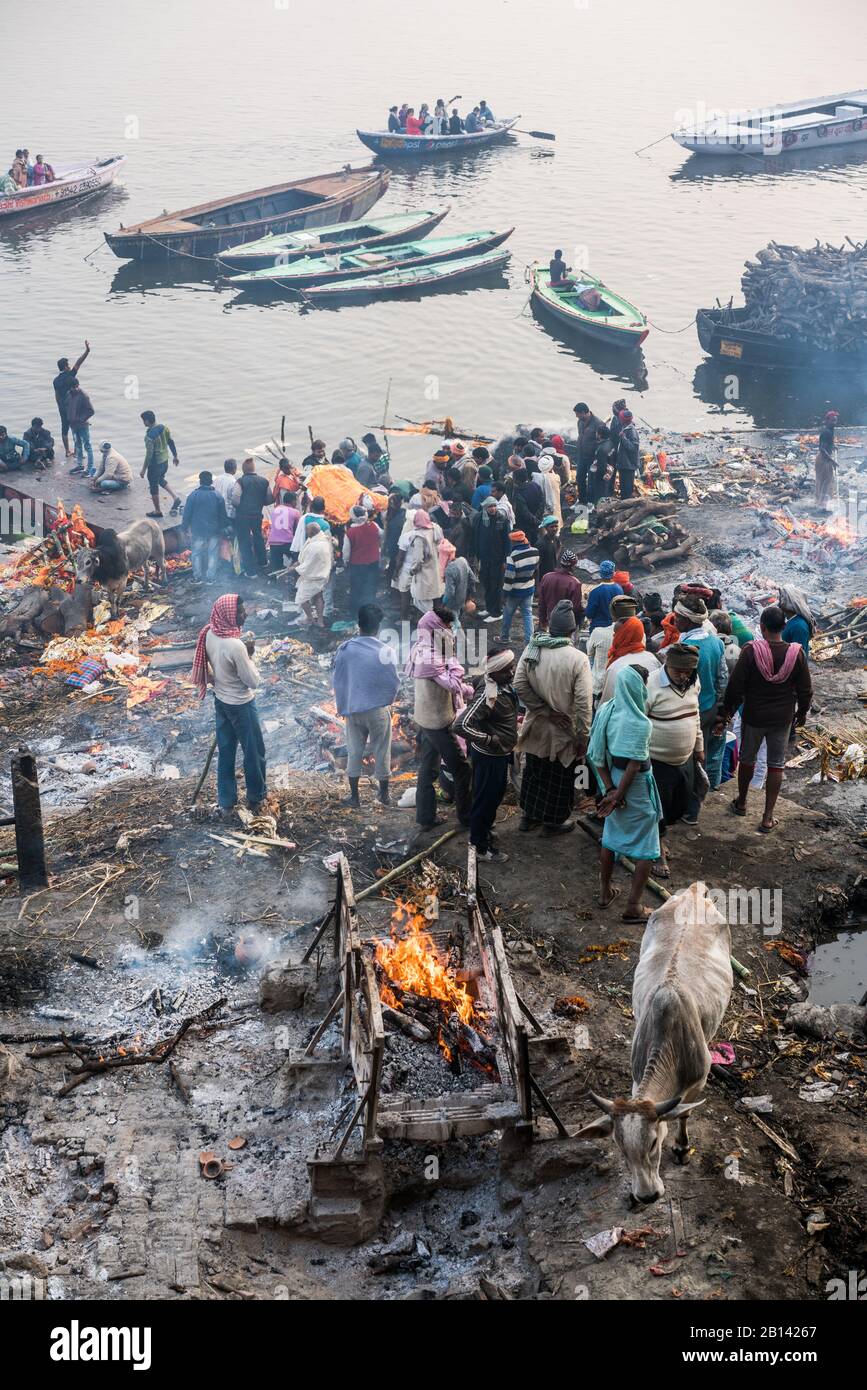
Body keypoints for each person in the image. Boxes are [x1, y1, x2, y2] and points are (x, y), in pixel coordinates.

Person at [720, 605, 812, 833]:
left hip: (754, 716)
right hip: (782, 719)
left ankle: (741, 802)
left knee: (747, 759)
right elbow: (806, 690)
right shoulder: (796, 653)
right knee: (776, 764)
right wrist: (801, 714)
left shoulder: (751, 651)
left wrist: (727, 712)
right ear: (784, 626)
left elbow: (735, 686)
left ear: (761, 627)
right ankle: (768, 817)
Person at [587, 664, 662, 922]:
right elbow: (635, 763)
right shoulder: (640, 723)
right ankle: (633, 906)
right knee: (648, 845)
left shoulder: (607, 710)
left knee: (611, 836)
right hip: (636, 785)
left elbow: (596, 755)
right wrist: (619, 795)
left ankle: (605, 892)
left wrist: (609, 789)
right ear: (639, 687)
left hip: (613, 778)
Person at [515, 600, 592, 834]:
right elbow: (583, 704)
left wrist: (543, 711)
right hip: (564, 730)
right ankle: (553, 822)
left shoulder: (533, 649)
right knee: (559, 777)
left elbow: (519, 684)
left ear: (550, 627)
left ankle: (528, 818)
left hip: (536, 725)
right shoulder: (578, 659)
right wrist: (582, 736)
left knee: (534, 772)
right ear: (573, 631)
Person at [191, 595, 266, 814]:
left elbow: (211, 669)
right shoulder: (235, 646)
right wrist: (249, 654)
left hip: (221, 701)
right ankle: (256, 798)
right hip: (241, 704)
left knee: (226, 751)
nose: (245, 614)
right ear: (228, 615)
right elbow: (253, 681)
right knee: (253, 751)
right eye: (240, 611)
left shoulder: (210, 633)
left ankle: (226, 802)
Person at [408, 605, 474, 832]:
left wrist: (464, 688)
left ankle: (426, 818)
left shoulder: (423, 647)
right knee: (462, 769)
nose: (450, 631)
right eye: (447, 627)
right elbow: (453, 683)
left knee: (428, 768)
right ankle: (466, 818)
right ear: (436, 628)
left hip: (425, 718)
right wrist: (456, 665)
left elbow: (449, 684)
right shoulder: (431, 656)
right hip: (437, 722)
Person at [452, 645, 518, 862]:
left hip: (499, 754)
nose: (511, 673)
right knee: (485, 800)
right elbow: (460, 725)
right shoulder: (489, 693)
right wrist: (489, 739)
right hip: (490, 756)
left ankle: (484, 832)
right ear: (493, 672)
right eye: (506, 670)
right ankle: (479, 847)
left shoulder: (502, 686)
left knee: (494, 796)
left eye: (512, 667)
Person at [332, 603, 400, 808]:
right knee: (382, 750)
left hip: (353, 710)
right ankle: (384, 796)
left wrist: (343, 705)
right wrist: (385, 700)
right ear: (378, 627)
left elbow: (338, 680)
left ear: (358, 624)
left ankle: (354, 798)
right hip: (378, 710)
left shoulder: (345, 649)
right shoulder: (386, 651)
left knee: (354, 752)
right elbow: (394, 682)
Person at [646, 643, 703, 877]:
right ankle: (656, 851)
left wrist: (699, 745)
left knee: (674, 806)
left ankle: (660, 840)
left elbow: (695, 714)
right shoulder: (650, 684)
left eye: (687, 672)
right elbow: (638, 724)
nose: (683, 675)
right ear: (667, 665)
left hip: (685, 759)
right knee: (656, 809)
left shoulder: (693, 682)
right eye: (679, 671)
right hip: (656, 761)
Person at [671, 596, 728, 814]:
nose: (675, 620)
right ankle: (701, 800)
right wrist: (720, 709)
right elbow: (722, 678)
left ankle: (690, 810)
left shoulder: (684, 649)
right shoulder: (715, 642)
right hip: (709, 707)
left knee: (690, 761)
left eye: (677, 617)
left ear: (686, 620)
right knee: (705, 757)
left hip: (689, 712)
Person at [598, 615, 660, 704]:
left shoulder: (615, 667)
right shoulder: (653, 660)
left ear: (622, 636)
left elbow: (606, 704)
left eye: (616, 634)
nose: (614, 636)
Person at [182, 471, 228, 584]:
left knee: (196, 553)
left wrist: (184, 528)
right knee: (212, 553)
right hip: (214, 531)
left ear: (200, 481)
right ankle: (210, 578)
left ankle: (197, 577)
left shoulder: (193, 496)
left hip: (198, 531)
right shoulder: (218, 496)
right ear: (211, 482)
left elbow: (187, 514)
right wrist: (223, 529)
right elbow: (223, 516)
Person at [232, 457, 270, 577]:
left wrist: (241, 506)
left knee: (244, 541)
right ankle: (263, 562)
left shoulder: (240, 481)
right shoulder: (264, 481)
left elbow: (235, 500)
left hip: (242, 516)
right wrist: (259, 503)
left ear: (243, 470)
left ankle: (250, 571)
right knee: (258, 537)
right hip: (257, 515)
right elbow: (269, 499)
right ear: (254, 469)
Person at [501, 530, 539, 647]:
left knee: (508, 614)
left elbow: (509, 578)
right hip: (529, 588)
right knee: (527, 614)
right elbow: (535, 570)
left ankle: (505, 637)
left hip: (515, 592)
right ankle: (529, 641)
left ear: (513, 542)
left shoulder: (512, 557)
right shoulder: (535, 552)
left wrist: (504, 594)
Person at [140, 410, 181, 517]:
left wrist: (144, 469)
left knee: (153, 486)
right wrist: (175, 456)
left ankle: (157, 510)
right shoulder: (164, 428)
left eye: (143, 420)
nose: (143, 423)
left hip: (155, 464)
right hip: (165, 461)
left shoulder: (149, 436)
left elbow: (149, 455)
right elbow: (171, 442)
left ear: (147, 421)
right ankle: (175, 497)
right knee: (160, 479)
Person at [53, 342, 90, 457]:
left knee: (64, 428)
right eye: (68, 365)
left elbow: (57, 396)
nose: (69, 366)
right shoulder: (70, 375)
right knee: (76, 428)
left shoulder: (55, 380)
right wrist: (87, 351)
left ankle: (67, 451)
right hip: (72, 407)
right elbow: (79, 362)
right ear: (65, 367)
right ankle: (78, 451)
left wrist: (60, 408)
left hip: (62, 407)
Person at [294, 519, 333, 627]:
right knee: (318, 595)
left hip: (312, 575)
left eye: (307, 531)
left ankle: (310, 618)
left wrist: (296, 568)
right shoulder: (324, 540)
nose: (306, 533)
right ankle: (320, 621)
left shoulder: (314, 545)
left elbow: (308, 564)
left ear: (311, 532)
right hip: (322, 573)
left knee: (302, 598)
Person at [343, 504, 381, 610]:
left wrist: (345, 562)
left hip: (357, 564)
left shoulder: (350, 533)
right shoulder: (374, 526)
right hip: (373, 562)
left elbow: (346, 552)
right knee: (371, 586)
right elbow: (382, 535)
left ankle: (356, 610)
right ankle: (370, 607)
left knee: (357, 587)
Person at [406, 509, 444, 613]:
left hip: (425, 573)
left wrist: (412, 570)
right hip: (437, 567)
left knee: (424, 602)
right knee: (436, 597)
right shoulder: (436, 528)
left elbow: (418, 559)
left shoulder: (419, 536)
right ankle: (439, 622)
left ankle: (428, 623)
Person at [536, 548, 583, 631]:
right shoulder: (575, 583)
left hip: (548, 621)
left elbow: (541, 603)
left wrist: (542, 621)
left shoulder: (546, 577)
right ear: (573, 566)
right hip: (565, 625)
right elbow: (575, 608)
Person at [573, 403, 604, 505]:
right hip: (582, 456)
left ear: (584, 412)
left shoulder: (598, 423)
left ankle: (591, 502)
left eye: (577, 414)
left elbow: (602, 442)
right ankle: (582, 500)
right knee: (579, 477)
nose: (576, 416)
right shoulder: (580, 422)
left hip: (592, 457)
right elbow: (580, 435)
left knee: (591, 480)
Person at [66, 379, 95, 477]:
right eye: (72, 387)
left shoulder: (83, 396)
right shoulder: (69, 394)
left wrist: (80, 419)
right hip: (73, 426)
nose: (74, 389)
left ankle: (90, 468)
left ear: (78, 385)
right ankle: (80, 465)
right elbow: (68, 407)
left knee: (87, 445)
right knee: (77, 445)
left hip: (82, 425)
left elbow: (91, 411)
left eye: (75, 387)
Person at [778, 585, 815, 660]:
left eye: (782, 598)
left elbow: (798, 656)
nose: (780, 602)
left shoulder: (799, 626)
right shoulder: (791, 620)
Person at [267, 493, 300, 575]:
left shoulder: (275, 509)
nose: (296, 503)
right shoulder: (295, 512)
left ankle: (275, 579)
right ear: (293, 501)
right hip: (287, 542)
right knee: (298, 559)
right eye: (296, 501)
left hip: (273, 542)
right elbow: (297, 531)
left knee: (275, 566)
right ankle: (295, 577)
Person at [585, 560, 623, 631]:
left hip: (598, 628)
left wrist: (588, 601)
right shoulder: (619, 589)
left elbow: (589, 614)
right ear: (613, 573)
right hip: (615, 628)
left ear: (600, 574)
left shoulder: (595, 591)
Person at [815, 410, 838, 509]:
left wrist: (833, 446)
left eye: (835, 420)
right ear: (827, 420)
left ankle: (821, 501)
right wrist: (832, 461)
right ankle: (821, 504)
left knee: (825, 480)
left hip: (825, 458)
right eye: (832, 420)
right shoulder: (826, 432)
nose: (834, 423)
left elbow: (828, 444)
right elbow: (822, 448)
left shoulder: (830, 430)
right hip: (823, 459)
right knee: (825, 481)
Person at [588, 424, 615, 506]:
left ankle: (599, 509)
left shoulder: (601, 449)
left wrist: (596, 476)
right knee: (606, 492)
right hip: (610, 472)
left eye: (597, 432)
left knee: (600, 494)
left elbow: (601, 466)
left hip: (601, 475)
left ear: (600, 435)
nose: (596, 434)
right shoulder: (611, 443)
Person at [615, 409, 640, 499]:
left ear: (623, 420)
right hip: (624, 464)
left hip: (629, 465)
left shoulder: (632, 431)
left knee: (627, 489)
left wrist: (623, 438)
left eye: (620, 418)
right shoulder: (624, 428)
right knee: (623, 488)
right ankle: (624, 503)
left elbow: (633, 448)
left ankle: (627, 505)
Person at [214, 457, 238, 522]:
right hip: (228, 515)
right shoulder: (233, 482)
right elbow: (234, 500)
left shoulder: (216, 479)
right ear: (234, 469)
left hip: (216, 513)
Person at [536, 515, 560, 579]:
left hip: (554, 575)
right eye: (552, 527)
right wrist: (538, 584)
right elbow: (537, 565)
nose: (554, 529)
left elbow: (557, 551)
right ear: (546, 528)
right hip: (544, 577)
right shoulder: (541, 544)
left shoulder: (556, 539)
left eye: (556, 526)